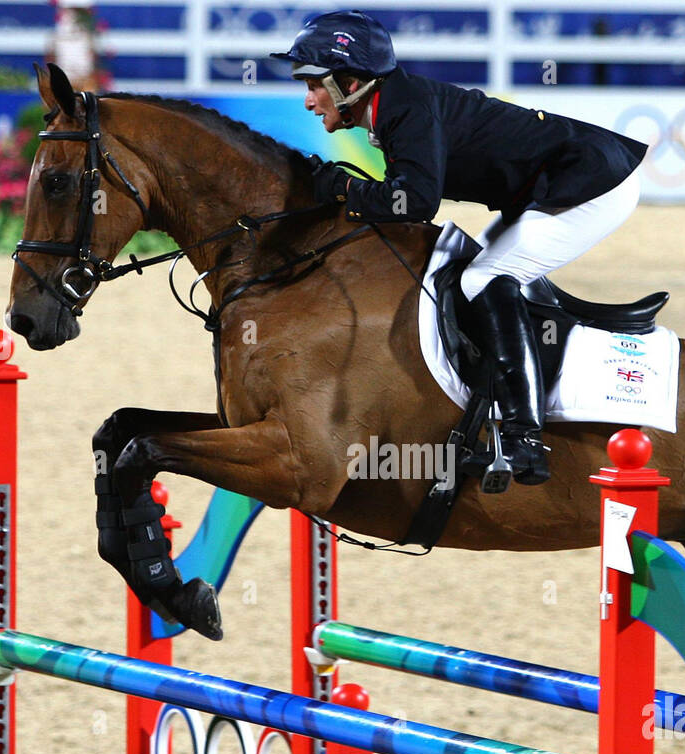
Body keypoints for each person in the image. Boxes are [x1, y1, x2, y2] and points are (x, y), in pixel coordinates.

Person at [272, 9, 647, 486]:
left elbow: (414, 203)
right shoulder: (393, 105)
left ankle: (522, 438)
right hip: (555, 182)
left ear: (349, 81)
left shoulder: (405, 110)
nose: (307, 101)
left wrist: (343, 189)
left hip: (595, 183)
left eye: (313, 85)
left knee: (484, 277)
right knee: (478, 267)